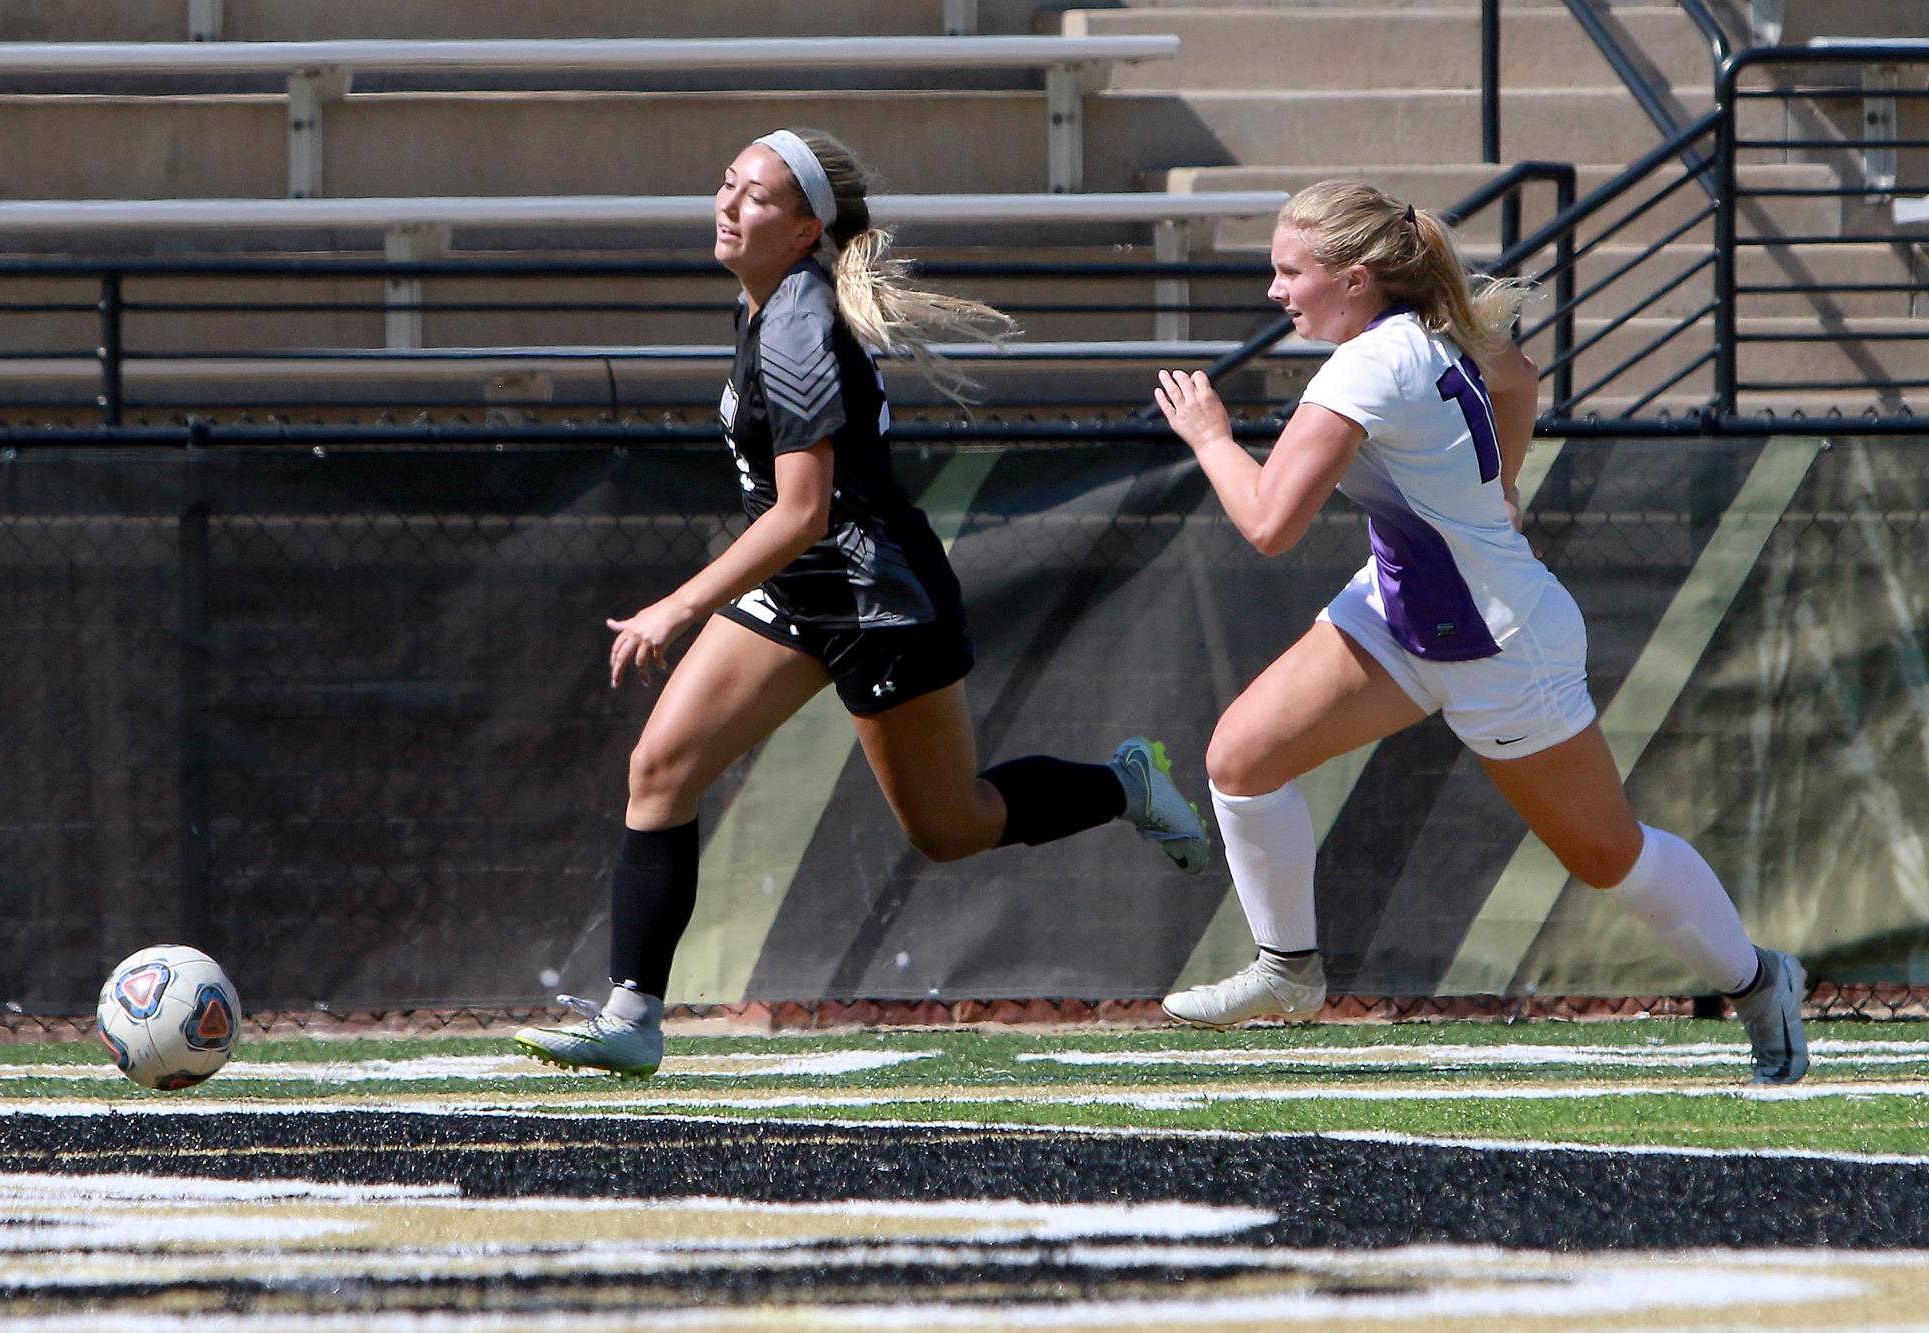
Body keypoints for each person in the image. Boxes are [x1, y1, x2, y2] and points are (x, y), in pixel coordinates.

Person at [515, 129, 1211, 1077]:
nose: (728, 205)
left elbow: (802, 512)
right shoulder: (766, 301)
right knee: (661, 768)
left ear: (807, 230)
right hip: (798, 588)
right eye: (726, 184)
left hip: (875, 598)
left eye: (757, 197)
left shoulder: (799, 319)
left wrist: (678, 604)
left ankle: (1126, 785)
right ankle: (632, 1016)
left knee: (948, 826)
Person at [1150, 179, 1809, 1085]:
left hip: (1499, 643)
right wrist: (1501, 490)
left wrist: (1209, 434)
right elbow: (1516, 376)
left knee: (1605, 852)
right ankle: (1288, 970)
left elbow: (1269, 522)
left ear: (1354, 277)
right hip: (1403, 608)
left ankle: (1758, 979)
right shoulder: (1430, 332)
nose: (1275, 291)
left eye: (1288, 271)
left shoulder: (1366, 365)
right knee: (1242, 757)